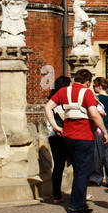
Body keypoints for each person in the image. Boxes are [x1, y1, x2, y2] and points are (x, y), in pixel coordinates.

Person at [45, 68, 108, 213]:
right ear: (87, 82)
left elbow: (48, 107)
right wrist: (104, 132)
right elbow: (92, 113)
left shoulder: (63, 92)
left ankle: (77, 200)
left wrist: (55, 127)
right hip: (84, 136)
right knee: (82, 171)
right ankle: (76, 204)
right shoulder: (87, 92)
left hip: (68, 135)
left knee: (78, 170)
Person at [45, 75, 72, 203]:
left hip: (53, 136)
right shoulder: (61, 102)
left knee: (58, 166)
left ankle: (56, 195)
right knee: (78, 165)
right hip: (62, 135)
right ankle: (78, 193)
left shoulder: (51, 100)